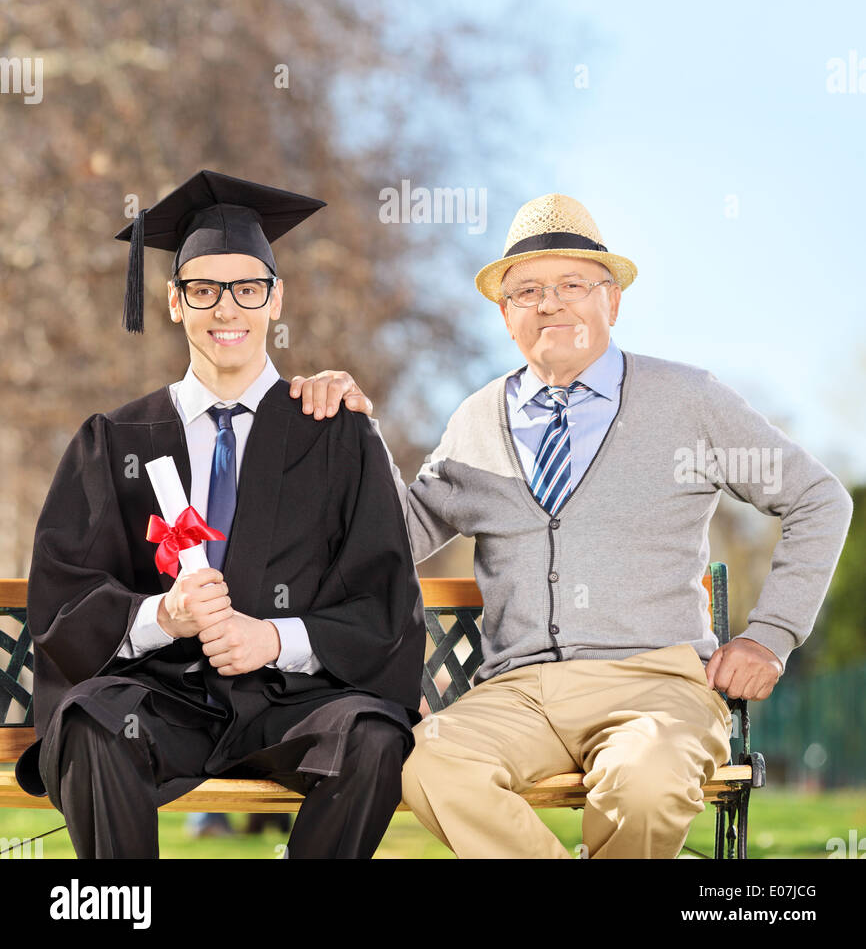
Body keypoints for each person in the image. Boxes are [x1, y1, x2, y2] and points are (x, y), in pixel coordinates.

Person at [290, 191, 854, 859]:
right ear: (505, 316)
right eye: (527, 290)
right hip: (515, 694)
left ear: (611, 301)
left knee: (644, 783)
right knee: (429, 766)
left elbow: (820, 498)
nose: (550, 303)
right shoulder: (476, 419)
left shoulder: (688, 400)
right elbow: (393, 538)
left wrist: (770, 636)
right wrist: (357, 434)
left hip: (659, 686)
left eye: (571, 284)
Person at [15, 169, 425, 860]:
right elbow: (63, 598)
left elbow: (382, 601)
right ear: (175, 302)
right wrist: (159, 618)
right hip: (162, 701)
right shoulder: (115, 439)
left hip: (295, 704)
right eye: (203, 290)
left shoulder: (336, 433)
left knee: (373, 738)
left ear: (276, 299)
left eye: (247, 289)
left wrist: (273, 639)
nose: (226, 310)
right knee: (92, 723)